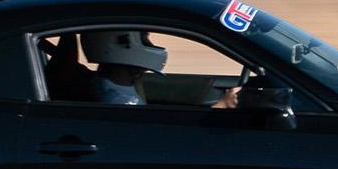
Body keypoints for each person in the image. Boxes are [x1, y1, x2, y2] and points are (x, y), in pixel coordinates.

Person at [77, 30, 241, 108]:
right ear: (122, 43)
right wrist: (222, 105)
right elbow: (162, 141)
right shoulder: (121, 103)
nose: (152, 46)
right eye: (145, 39)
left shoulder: (107, 85)